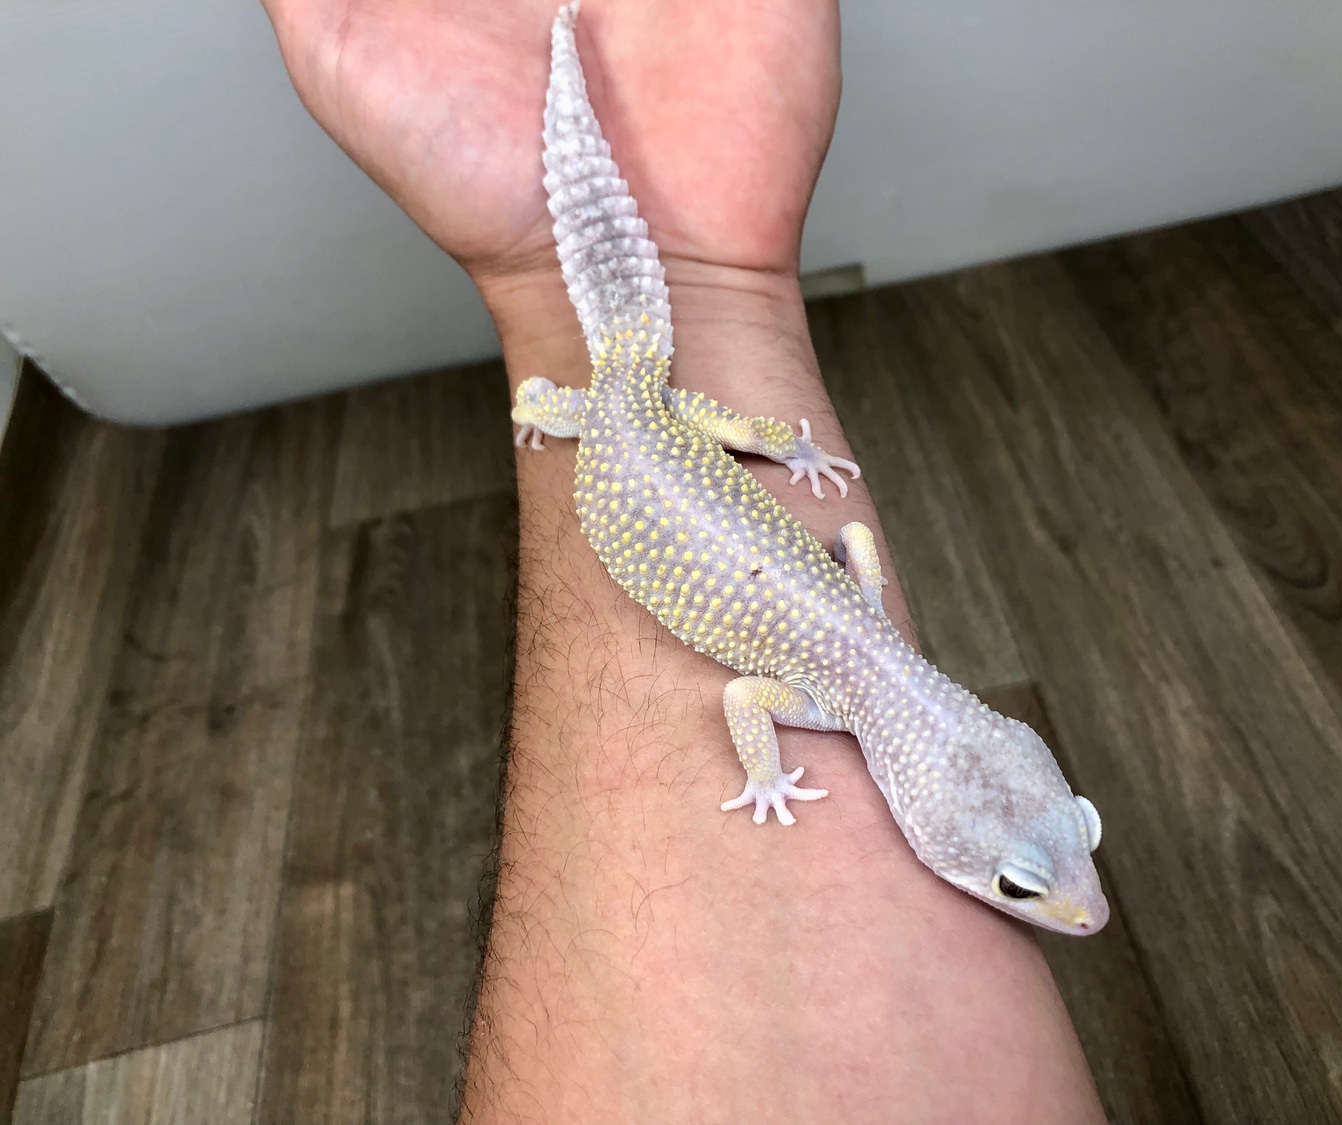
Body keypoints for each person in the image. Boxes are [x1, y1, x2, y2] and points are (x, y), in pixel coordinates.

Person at [258, 1, 1106, 1120]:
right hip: (632, 412)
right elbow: (748, 693)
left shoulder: (861, 657)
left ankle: (556, 400)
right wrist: (759, 775)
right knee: (610, 383)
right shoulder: (839, 688)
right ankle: (554, 399)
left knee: (619, 381)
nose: (1084, 907)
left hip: (641, 411)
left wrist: (787, 451)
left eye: (1048, 860)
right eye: (1035, 876)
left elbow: (847, 554)